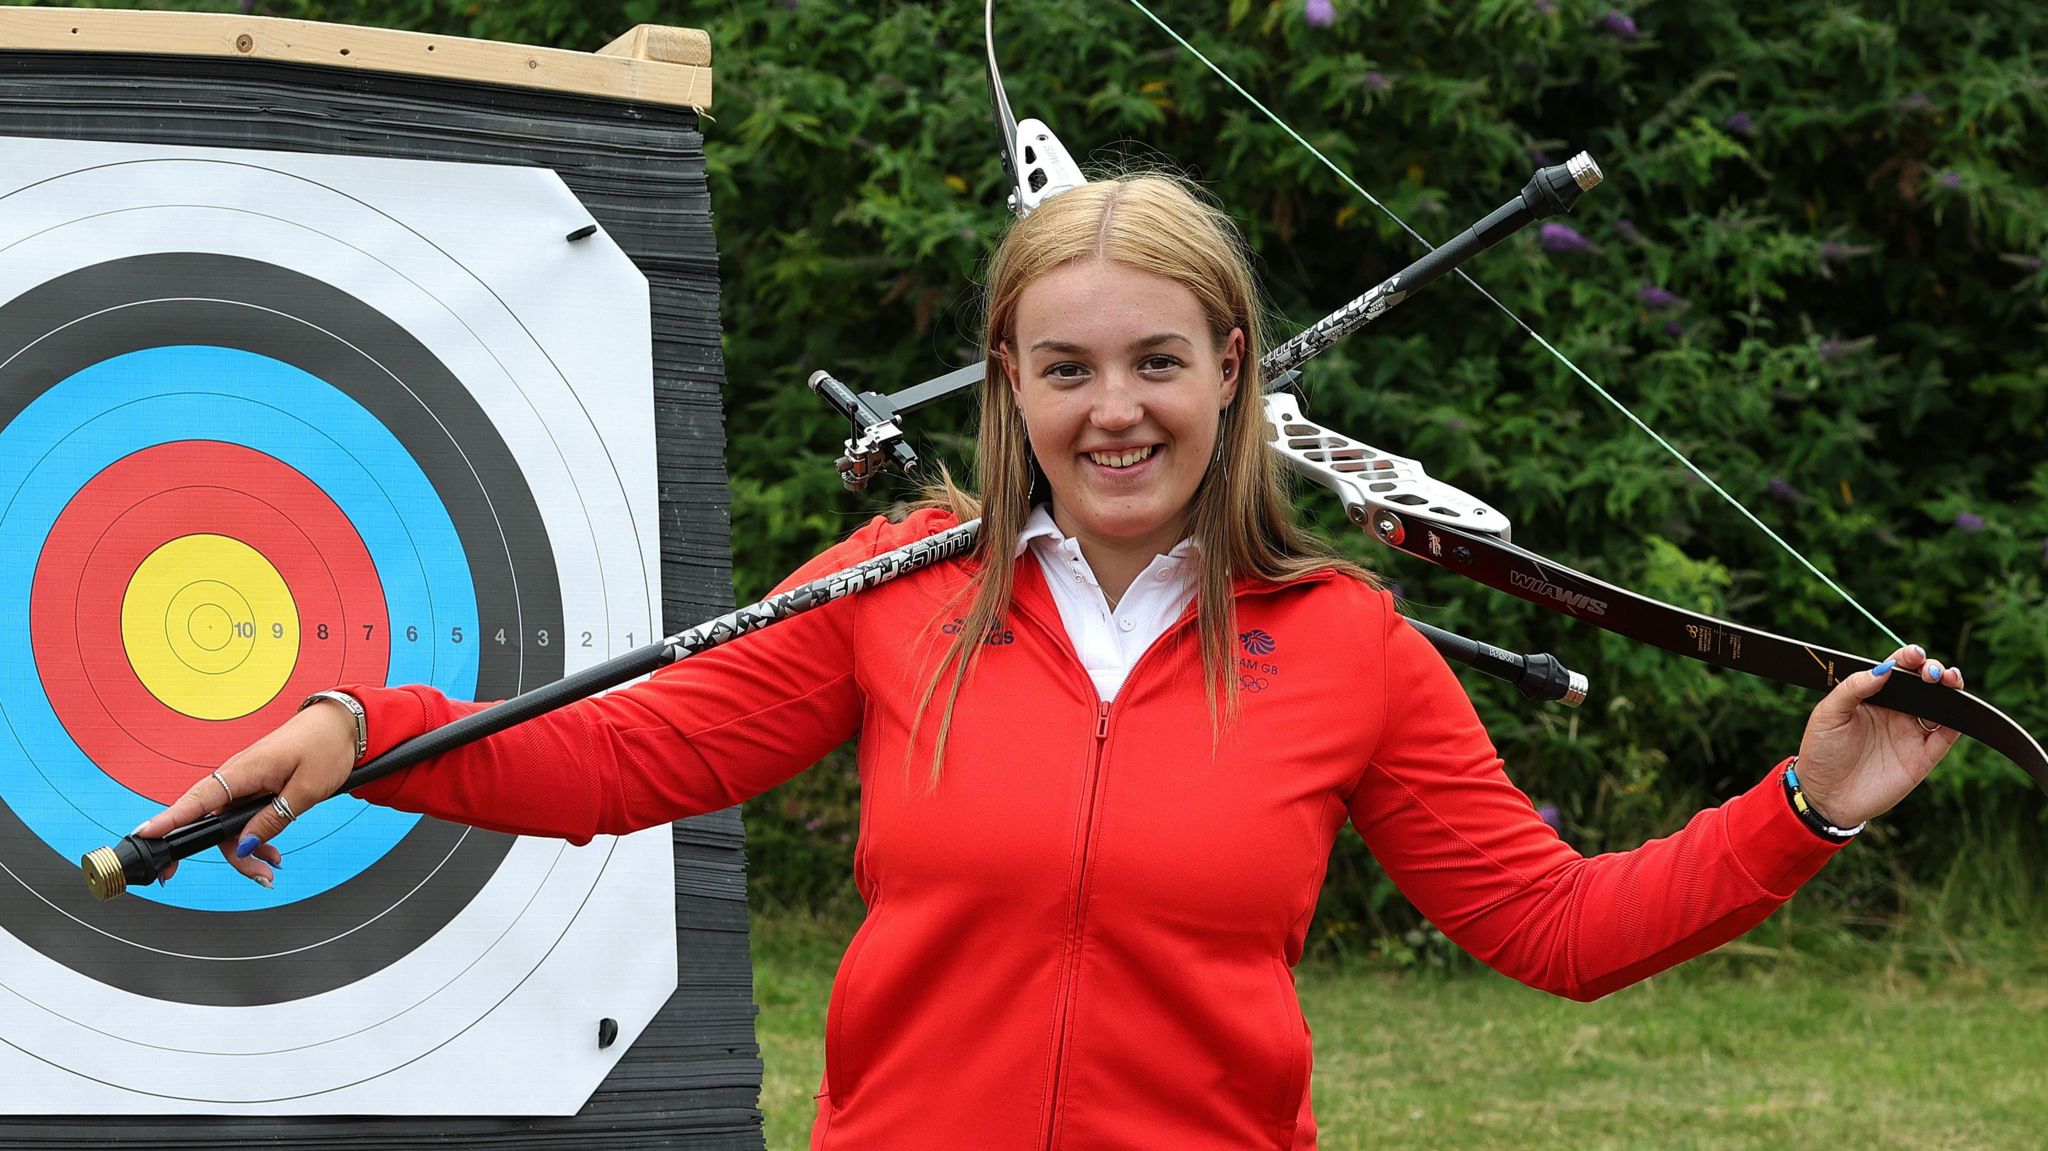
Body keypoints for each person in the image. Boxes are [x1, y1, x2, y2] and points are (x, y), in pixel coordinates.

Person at [140, 174, 1965, 1150]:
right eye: (1068, 366)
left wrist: (1811, 804)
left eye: (1159, 362)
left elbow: (1553, 932)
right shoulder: (890, 586)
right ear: (1005, 379)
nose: (1115, 411)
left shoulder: (1348, 645)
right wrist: (363, 729)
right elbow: (626, 759)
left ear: (1236, 370)